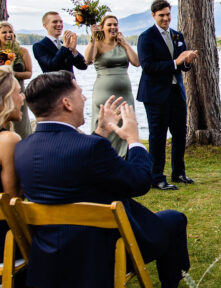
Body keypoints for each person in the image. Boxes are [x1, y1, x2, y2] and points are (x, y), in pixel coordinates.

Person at [15, 70, 190, 288]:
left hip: (49, 251)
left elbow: (70, 160)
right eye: (80, 94)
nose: (85, 98)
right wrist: (134, 140)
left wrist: (101, 132)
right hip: (101, 248)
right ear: (67, 103)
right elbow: (140, 181)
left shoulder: (22, 148)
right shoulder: (91, 149)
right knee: (174, 220)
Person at [137, 0, 198, 190]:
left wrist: (187, 61)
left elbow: (183, 67)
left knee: (180, 133)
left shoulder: (177, 35)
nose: (165, 18)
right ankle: (156, 177)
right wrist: (175, 62)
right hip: (155, 95)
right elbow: (148, 66)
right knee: (158, 136)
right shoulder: (146, 37)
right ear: (154, 16)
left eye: (168, 14)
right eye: (161, 15)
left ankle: (179, 172)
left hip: (176, 92)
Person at [84, 14, 140, 157]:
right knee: (106, 124)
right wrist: (93, 38)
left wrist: (125, 43)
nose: (113, 27)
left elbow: (136, 62)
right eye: (109, 24)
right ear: (102, 28)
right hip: (104, 93)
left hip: (125, 94)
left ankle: (123, 160)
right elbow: (87, 60)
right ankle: (103, 157)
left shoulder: (121, 44)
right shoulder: (97, 44)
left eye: (115, 24)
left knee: (125, 123)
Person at [0, 66, 24, 255]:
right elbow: (13, 201)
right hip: (5, 241)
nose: (22, 98)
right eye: (18, 93)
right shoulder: (7, 140)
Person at [0, 21, 33, 138]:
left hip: (18, 93)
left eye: (10, 32)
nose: (8, 34)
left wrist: (13, 73)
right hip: (1, 95)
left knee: (22, 127)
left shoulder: (21, 51)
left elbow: (29, 73)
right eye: (4, 32)